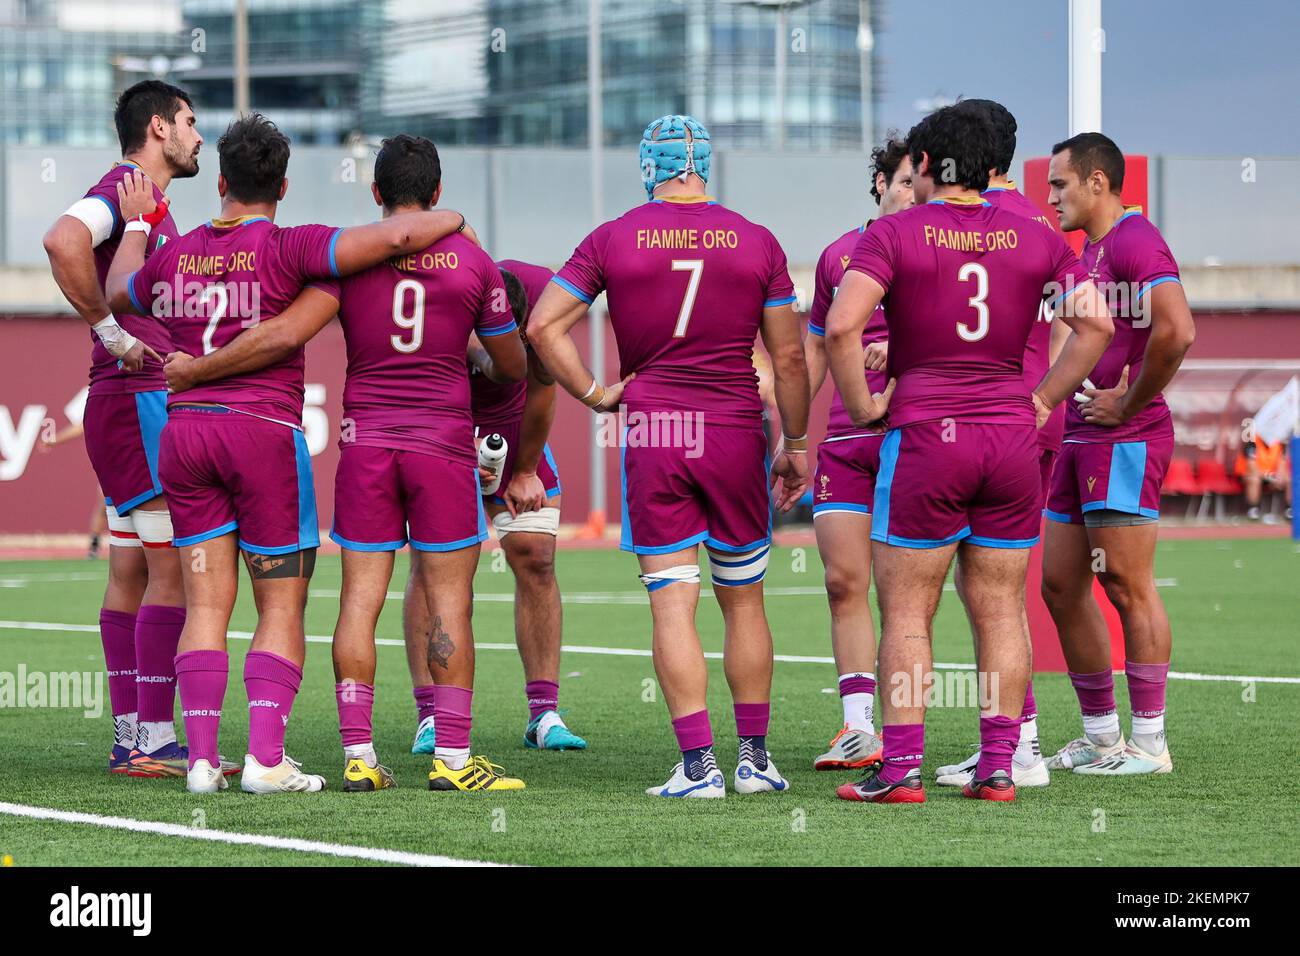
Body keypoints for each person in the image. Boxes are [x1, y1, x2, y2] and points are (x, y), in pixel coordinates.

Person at [105, 114, 479, 795]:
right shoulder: (293, 245)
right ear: (282, 184)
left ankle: (198, 762)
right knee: (280, 606)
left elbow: (117, 290)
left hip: (185, 437)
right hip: (261, 434)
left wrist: (137, 223)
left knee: (206, 606)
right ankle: (265, 761)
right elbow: (398, 234)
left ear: (219, 181)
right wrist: (452, 214)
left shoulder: (176, 251)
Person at [825, 105, 1113, 803]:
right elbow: (1097, 324)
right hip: (1010, 441)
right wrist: (1043, 398)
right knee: (1001, 608)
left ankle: (897, 772)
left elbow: (840, 326)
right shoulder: (1035, 236)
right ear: (992, 167)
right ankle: (996, 766)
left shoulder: (893, 232)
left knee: (907, 615)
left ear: (926, 165)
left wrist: (864, 409)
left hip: (927, 438)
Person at [529, 115, 811, 798]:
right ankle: (754, 759)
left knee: (671, 603)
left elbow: (542, 325)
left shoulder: (613, 237)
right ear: (706, 167)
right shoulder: (756, 240)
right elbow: (791, 357)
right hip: (736, 429)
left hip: (657, 430)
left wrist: (597, 395)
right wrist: (796, 444)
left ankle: (698, 767)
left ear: (649, 167)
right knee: (744, 600)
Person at [43, 80, 202, 776]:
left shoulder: (148, 206)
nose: (201, 136)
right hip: (135, 399)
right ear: (161, 128)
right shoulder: (125, 189)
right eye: (192, 123)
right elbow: (62, 239)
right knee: (170, 570)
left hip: (122, 401)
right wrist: (110, 333)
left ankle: (133, 736)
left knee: (131, 567)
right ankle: (155, 739)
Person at [1041, 132, 1196, 776]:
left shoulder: (1136, 240)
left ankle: (1151, 743)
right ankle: (1103, 735)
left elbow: (1178, 329)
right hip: (1082, 437)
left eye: (1060, 185)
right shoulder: (1090, 255)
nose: (1051, 198)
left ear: (1097, 183)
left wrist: (1128, 402)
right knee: (1059, 584)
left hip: (1126, 437)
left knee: (1125, 584)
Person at [932, 99, 1069, 789]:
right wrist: (1050, 396)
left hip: (977, 419)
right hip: (1026, 420)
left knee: (988, 593)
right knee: (996, 590)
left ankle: (1020, 746)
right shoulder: (1039, 225)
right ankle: (1016, 744)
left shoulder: (967, 223)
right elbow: (1081, 322)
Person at [405, 257, 586, 756]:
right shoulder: (441, 298)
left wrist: (525, 468)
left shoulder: (543, 296)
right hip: (443, 423)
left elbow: (544, 389)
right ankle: (430, 715)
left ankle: (544, 712)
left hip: (512, 425)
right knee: (432, 566)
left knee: (536, 555)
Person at [803, 135, 913, 772]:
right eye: (899, 182)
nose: (909, 193)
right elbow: (816, 352)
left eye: (917, 183)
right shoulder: (838, 257)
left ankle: (1004, 737)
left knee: (914, 598)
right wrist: (793, 435)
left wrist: (898, 361)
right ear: (878, 183)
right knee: (844, 582)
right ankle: (857, 729)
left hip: (915, 437)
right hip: (846, 442)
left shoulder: (933, 251)